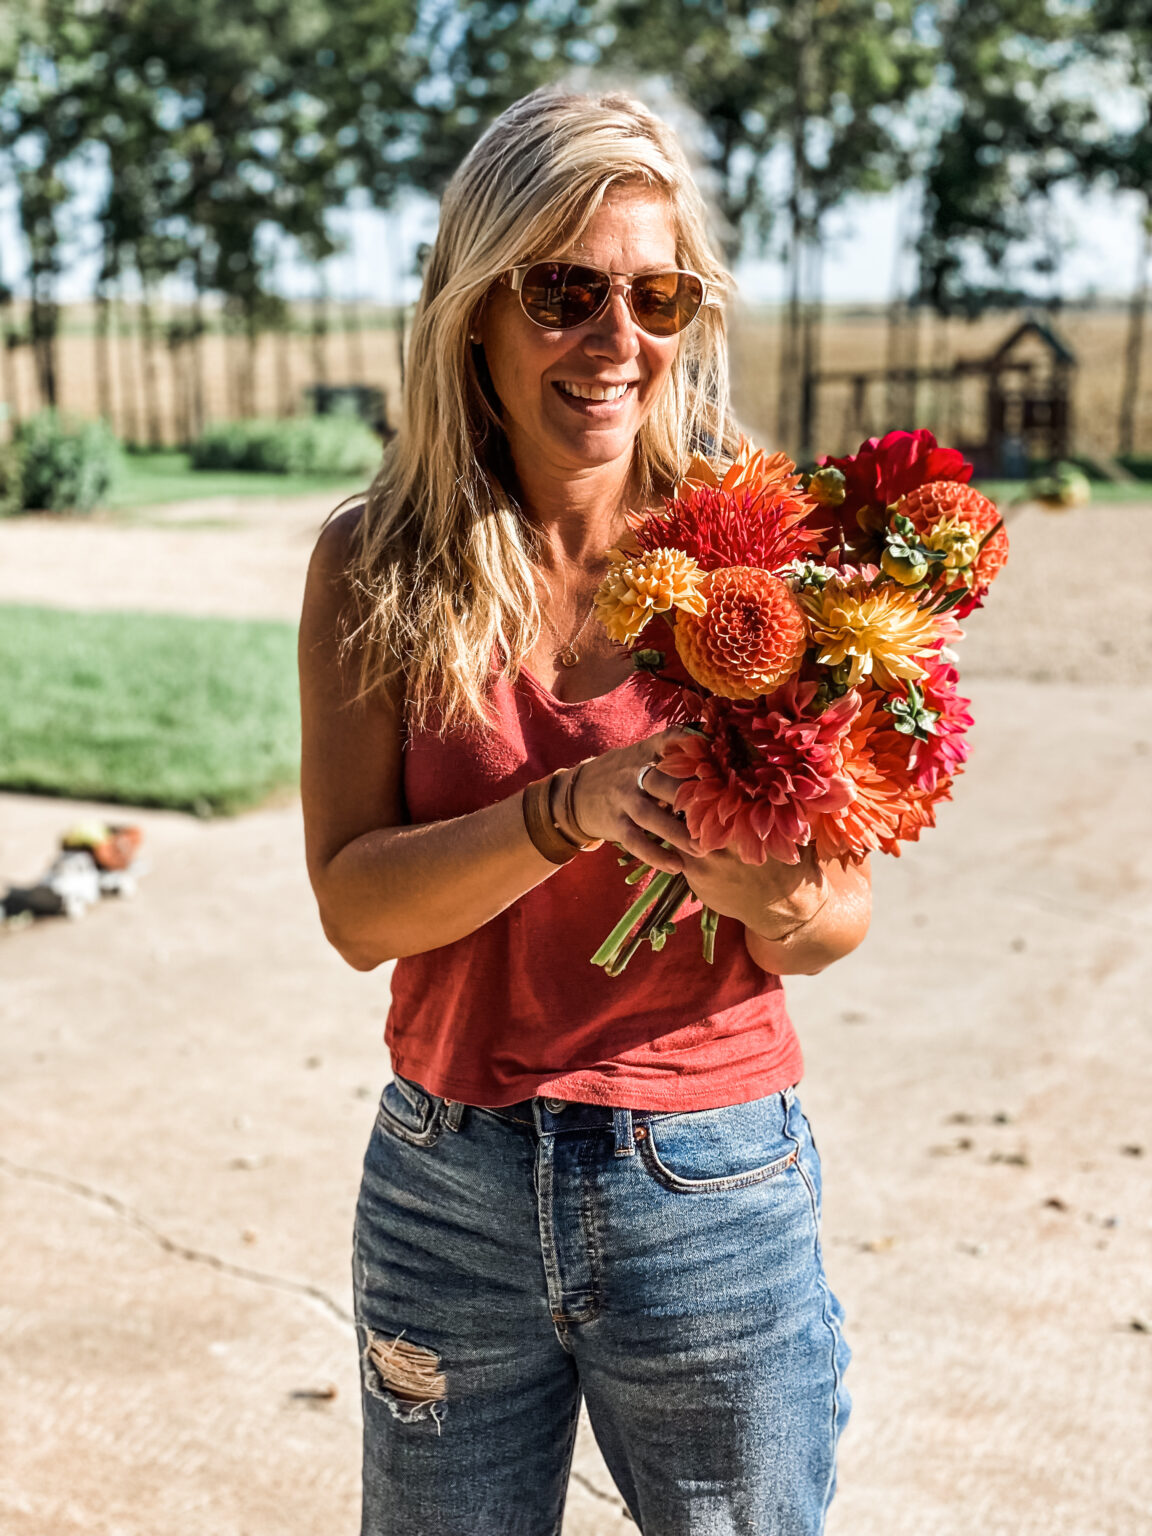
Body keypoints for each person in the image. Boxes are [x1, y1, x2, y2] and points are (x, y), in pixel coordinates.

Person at [299, 86, 871, 1536]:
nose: (618, 344)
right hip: (447, 1189)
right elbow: (359, 910)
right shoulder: (377, 563)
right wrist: (568, 809)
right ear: (475, 308)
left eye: (657, 293)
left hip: (709, 1175)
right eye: (564, 292)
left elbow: (831, 919)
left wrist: (751, 878)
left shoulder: (774, 556)